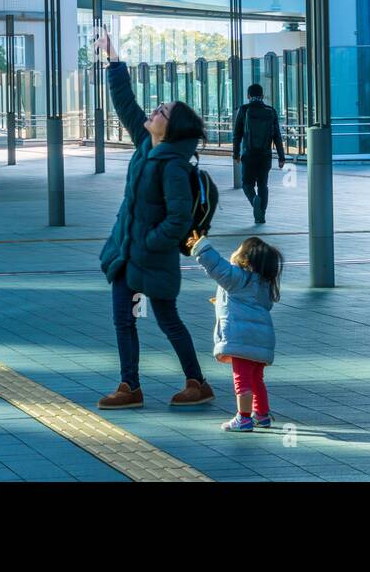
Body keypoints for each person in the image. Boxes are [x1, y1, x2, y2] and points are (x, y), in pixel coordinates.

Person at [95, 28, 215, 410]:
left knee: (167, 320)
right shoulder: (146, 143)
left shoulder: (174, 166)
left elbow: (179, 218)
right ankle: (129, 386)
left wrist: (150, 243)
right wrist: (113, 61)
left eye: (162, 112)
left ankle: (197, 382)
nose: (154, 112)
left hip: (151, 255)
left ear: (171, 127)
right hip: (127, 253)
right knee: (123, 319)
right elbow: (126, 104)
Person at [185, 231, 283, 432]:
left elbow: (216, 266)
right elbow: (252, 304)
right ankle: (262, 416)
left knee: (242, 380)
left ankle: (244, 419)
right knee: (257, 380)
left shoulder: (238, 278)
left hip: (241, 339)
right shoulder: (263, 284)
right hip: (261, 341)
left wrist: (201, 246)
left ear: (245, 258)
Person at [232, 83, 285, 224]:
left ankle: (254, 200)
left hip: (248, 155)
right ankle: (261, 213)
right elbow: (277, 136)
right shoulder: (271, 111)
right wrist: (281, 157)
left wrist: (236, 154)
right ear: (262, 96)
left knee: (247, 184)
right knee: (263, 185)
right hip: (265, 155)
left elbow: (236, 134)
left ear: (248, 96)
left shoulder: (243, 110)